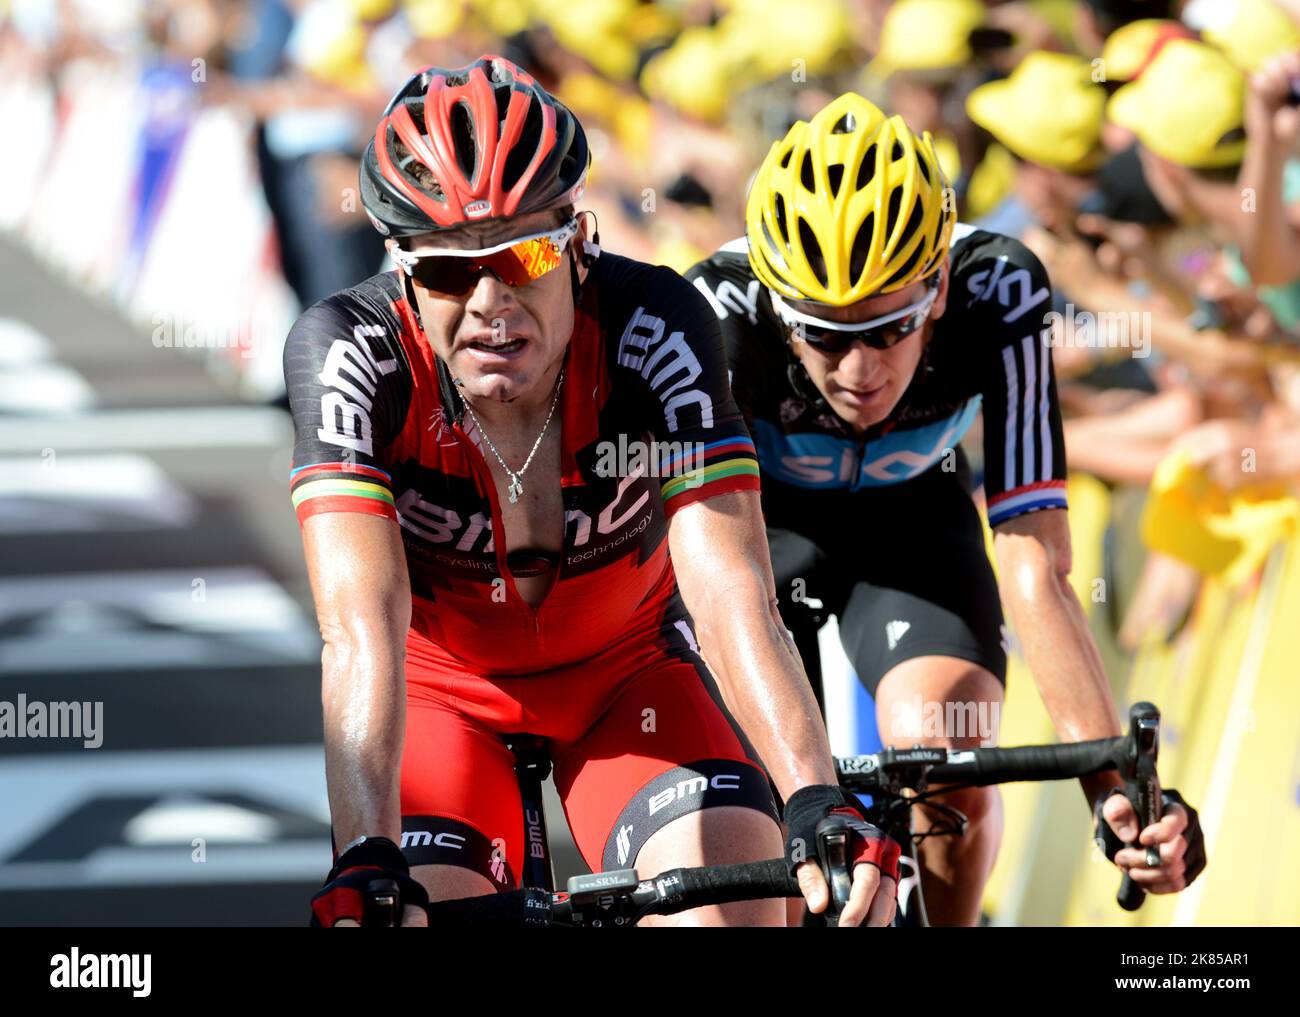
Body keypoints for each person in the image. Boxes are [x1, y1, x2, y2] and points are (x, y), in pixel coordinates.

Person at [284, 56, 899, 928]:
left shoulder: (657, 325)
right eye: (452, 272)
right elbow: (357, 628)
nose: (492, 302)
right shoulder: (351, 352)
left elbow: (729, 593)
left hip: (625, 674)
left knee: (739, 906)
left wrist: (815, 797)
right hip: (442, 692)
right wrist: (365, 857)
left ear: (579, 242)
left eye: (526, 253)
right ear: (403, 272)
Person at [685, 92, 1207, 926]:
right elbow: (726, 590)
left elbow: (1036, 562)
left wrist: (1114, 792)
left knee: (943, 753)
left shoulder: (997, 286)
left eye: (889, 327)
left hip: (911, 524)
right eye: (822, 334)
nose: (859, 367)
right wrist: (806, 791)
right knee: (754, 810)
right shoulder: (714, 316)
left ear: (935, 291)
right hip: (758, 539)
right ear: (780, 312)